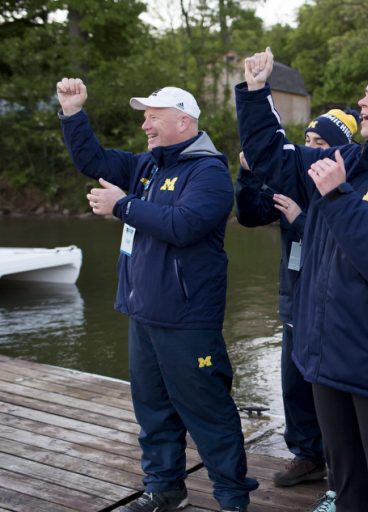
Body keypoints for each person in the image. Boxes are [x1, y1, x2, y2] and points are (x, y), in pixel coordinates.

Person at [236, 49, 368, 512]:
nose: (363, 102)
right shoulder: (350, 159)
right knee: (346, 483)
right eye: (365, 93)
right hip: (326, 360)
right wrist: (256, 92)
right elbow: (269, 157)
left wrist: (337, 194)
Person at [55, 79, 258, 512]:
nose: (145, 124)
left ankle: (232, 498)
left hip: (187, 320)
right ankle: (165, 489)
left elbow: (183, 224)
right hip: (143, 313)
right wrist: (73, 113)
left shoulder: (209, 173)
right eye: (145, 116)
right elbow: (91, 159)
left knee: (208, 412)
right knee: (152, 412)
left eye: (154, 116)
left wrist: (124, 205)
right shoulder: (147, 166)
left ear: (183, 120)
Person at [234, 108, 360, 495]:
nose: (310, 150)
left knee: (335, 390)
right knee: (294, 382)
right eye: (307, 141)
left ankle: (348, 468)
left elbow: (353, 244)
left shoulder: (350, 180)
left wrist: (302, 218)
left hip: (335, 304)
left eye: (320, 144)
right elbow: (250, 215)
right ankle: (307, 455)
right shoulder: (292, 174)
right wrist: (248, 172)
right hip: (294, 297)